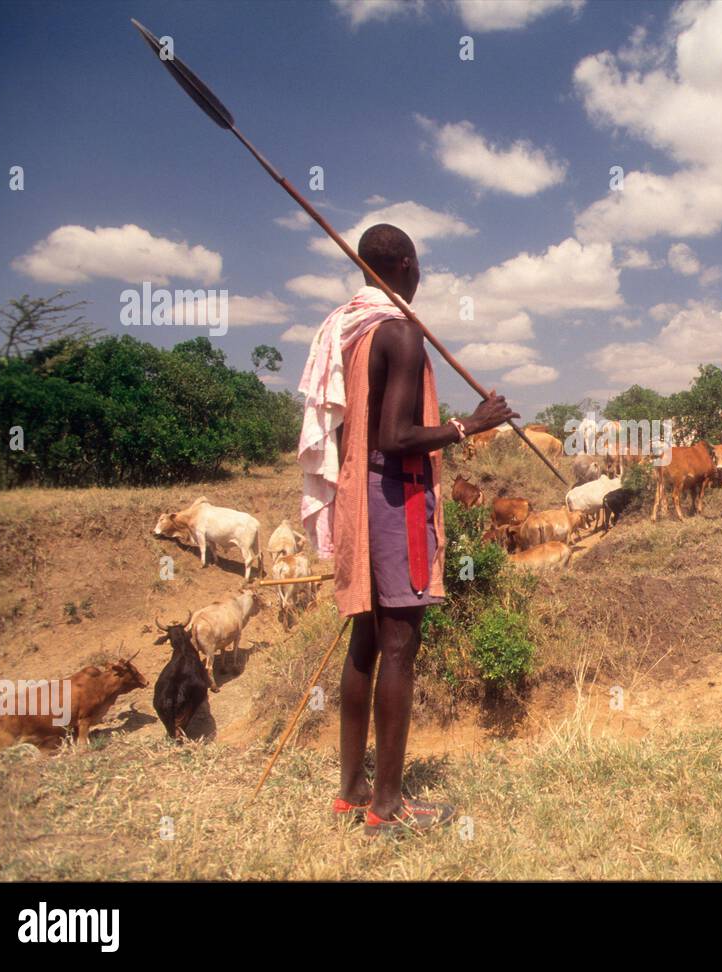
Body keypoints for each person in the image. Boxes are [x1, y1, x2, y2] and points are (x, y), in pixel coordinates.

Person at [298, 223, 515, 835]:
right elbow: (395, 439)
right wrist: (471, 424)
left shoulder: (350, 331)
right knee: (399, 645)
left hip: (355, 494)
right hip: (392, 498)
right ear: (406, 264)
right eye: (418, 268)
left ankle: (352, 789)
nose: (420, 277)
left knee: (364, 641)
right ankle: (387, 807)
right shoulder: (398, 331)